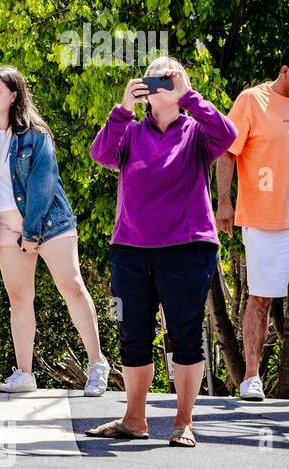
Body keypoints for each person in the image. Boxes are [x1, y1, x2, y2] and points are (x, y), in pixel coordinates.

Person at [86, 57, 236, 447]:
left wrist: (192, 98)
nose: (162, 85)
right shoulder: (132, 131)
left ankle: (183, 421)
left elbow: (229, 135)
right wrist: (121, 109)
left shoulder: (197, 133)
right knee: (132, 334)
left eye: (170, 78)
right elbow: (100, 154)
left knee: (185, 335)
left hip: (187, 250)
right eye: (156, 78)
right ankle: (134, 418)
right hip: (131, 250)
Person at [0, 67, 110, 395]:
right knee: (19, 298)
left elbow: (43, 184)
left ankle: (97, 364)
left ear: (13, 96)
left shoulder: (36, 135)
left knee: (71, 287)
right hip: (5, 225)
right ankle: (25, 373)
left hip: (48, 223)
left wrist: (32, 232)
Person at [215, 39, 289, 402]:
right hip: (264, 221)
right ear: (285, 70)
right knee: (260, 299)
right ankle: (251, 378)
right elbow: (227, 153)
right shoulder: (251, 100)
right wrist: (224, 202)